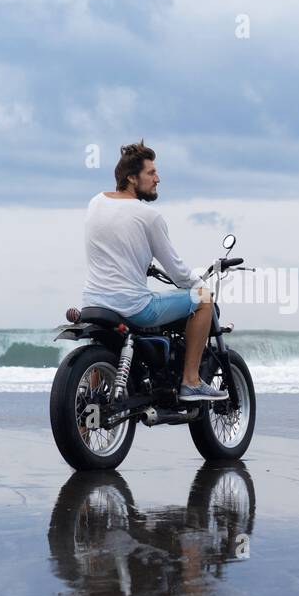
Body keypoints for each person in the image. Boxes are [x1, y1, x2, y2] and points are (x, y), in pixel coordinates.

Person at [81, 141, 227, 402]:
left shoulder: (95, 202)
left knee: (103, 347)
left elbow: (115, 244)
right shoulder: (149, 216)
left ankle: (82, 422)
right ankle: (191, 381)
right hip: (133, 307)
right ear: (131, 178)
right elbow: (178, 271)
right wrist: (198, 282)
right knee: (204, 299)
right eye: (151, 173)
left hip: (93, 302)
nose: (157, 179)